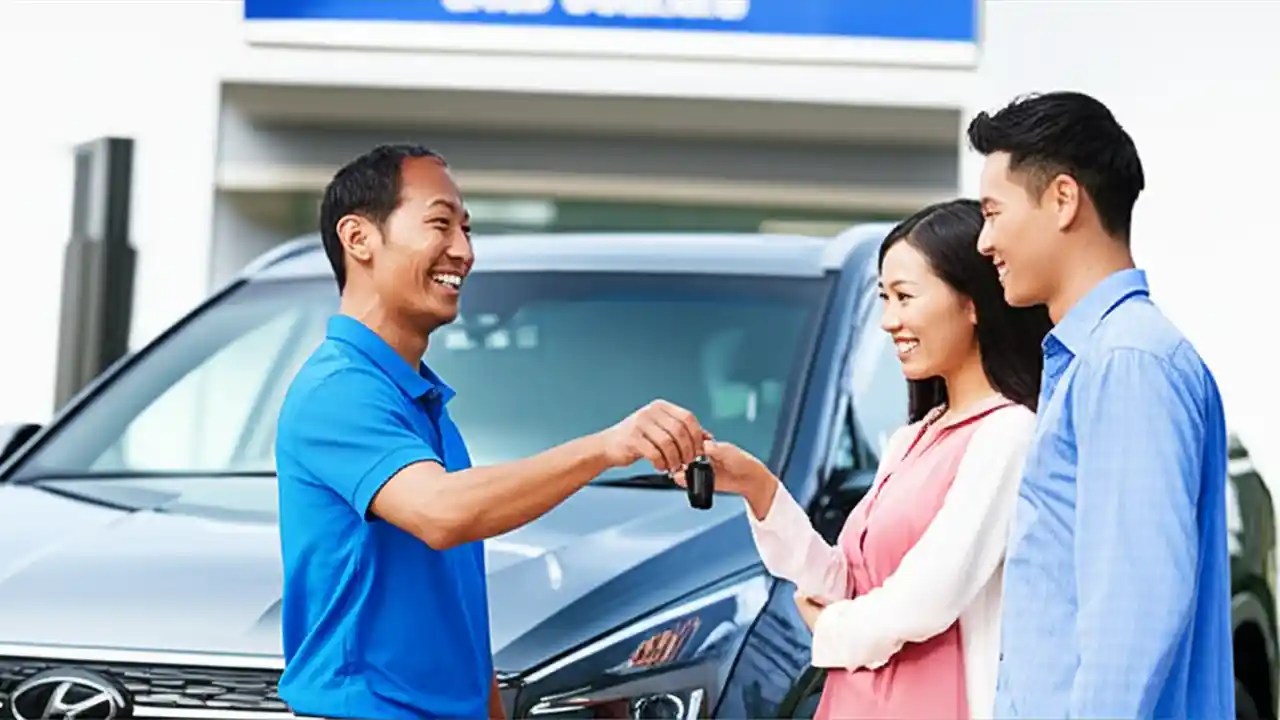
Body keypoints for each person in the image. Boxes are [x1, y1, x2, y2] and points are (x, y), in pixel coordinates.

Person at [273, 144, 710, 720]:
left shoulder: (419, 399)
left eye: (466, 228)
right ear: (359, 239)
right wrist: (606, 448)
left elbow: (451, 602)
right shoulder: (339, 390)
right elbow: (443, 514)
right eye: (439, 223)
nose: (464, 251)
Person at [678, 199, 1051, 719]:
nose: (888, 321)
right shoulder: (913, 438)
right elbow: (848, 581)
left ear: (973, 303)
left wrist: (829, 628)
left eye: (904, 297)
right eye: (883, 298)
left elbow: (928, 596)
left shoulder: (1008, 432)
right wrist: (758, 488)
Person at [969, 91, 1233, 719]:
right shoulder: (1097, 360)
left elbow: (1135, 613)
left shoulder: (1127, 363)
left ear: (1063, 199)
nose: (984, 241)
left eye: (993, 212)